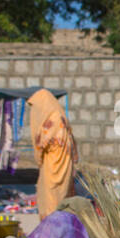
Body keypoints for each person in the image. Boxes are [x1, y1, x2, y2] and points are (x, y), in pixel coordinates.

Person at [28, 89, 78, 220]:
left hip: (53, 164)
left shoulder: (52, 119)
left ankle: (53, 227)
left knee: (51, 197)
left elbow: (42, 143)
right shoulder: (59, 115)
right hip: (63, 162)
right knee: (59, 194)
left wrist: (38, 155)